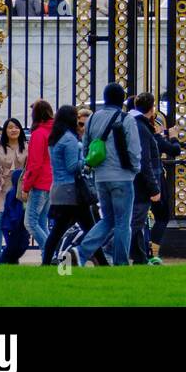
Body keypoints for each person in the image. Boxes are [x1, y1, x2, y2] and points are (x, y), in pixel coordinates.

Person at [65, 82, 142, 268]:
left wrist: (93, 165)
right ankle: (121, 262)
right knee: (123, 222)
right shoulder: (126, 119)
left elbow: (86, 146)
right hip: (122, 176)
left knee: (107, 219)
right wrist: (135, 168)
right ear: (122, 99)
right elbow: (134, 149)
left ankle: (81, 252)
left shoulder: (92, 118)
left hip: (101, 176)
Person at [41, 104, 102, 266]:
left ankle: (46, 262)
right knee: (89, 229)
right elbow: (72, 166)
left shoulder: (55, 138)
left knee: (66, 230)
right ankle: (101, 261)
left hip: (60, 189)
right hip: (71, 191)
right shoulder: (69, 139)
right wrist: (88, 161)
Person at [126, 93, 163, 265]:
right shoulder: (140, 126)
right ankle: (109, 250)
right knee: (135, 222)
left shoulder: (135, 123)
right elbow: (144, 161)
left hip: (135, 181)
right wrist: (154, 188)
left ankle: (140, 258)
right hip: (141, 185)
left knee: (137, 224)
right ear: (152, 108)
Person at [0, 117, 27, 264]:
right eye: (10, 127)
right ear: (5, 130)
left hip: (19, 188)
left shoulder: (26, 146)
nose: (13, 130)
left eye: (16, 127)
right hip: (1, 187)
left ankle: (11, 255)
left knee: (16, 224)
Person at [18, 99, 54, 250]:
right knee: (41, 222)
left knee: (30, 222)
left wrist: (26, 186)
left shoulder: (39, 134)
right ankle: (49, 256)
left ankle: (50, 253)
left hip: (40, 182)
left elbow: (35, 164)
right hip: (50, 181)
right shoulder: (52, 131)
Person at [149, 114, 183, 262]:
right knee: (162, 216)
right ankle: (152, 251)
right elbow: (175, 150)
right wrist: (174, 137)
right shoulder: (154, 137)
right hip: (154, 179)